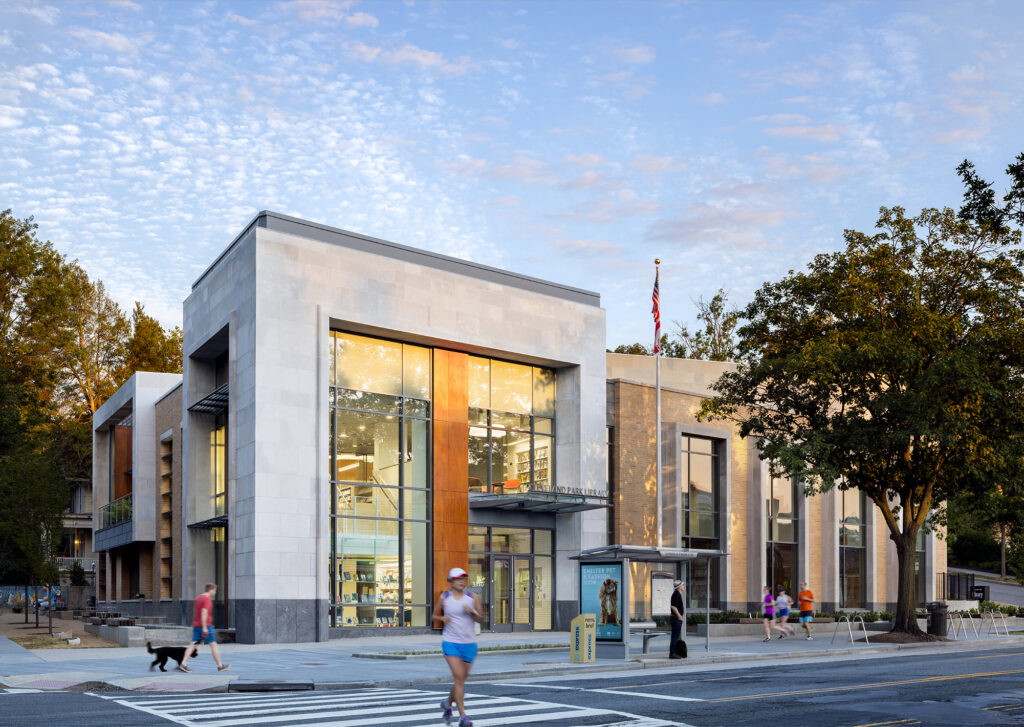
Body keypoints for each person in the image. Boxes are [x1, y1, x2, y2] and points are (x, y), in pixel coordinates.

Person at [432, 567, 483, 727]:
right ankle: (463, 717)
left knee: (460, 681)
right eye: (458, 578)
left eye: (464, 578)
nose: (462, 581)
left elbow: (481, 619)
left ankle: (448, 704)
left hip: (469, 644)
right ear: (451, 581)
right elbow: (433, 616)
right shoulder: (444, 597)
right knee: (458, 679)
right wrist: (442, 618)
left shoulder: (472, 597)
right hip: (450, 642)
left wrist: (472, 611)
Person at [179, 583, 229, 673]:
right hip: (205, 627)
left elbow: (197, 612)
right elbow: (204, 612)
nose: (215, 592)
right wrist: (205, 628)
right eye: (214, 590)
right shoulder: (207, 599)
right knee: (213, 645)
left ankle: (183, 664)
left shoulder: (199, 598)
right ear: (210, 590)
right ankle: (220, 666)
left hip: (197, 625)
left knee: (192, 645)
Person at [669, 579, 685, 659]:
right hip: (676, 618)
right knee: (675, 636)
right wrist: (679, 616)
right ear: (679, 587)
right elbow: (673, 606)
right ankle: (672, 653)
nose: (683, 586)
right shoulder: (676, 594)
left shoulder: (678, 594)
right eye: (682, 585)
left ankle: (675, 652)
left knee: (676, 636)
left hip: (676, 618)